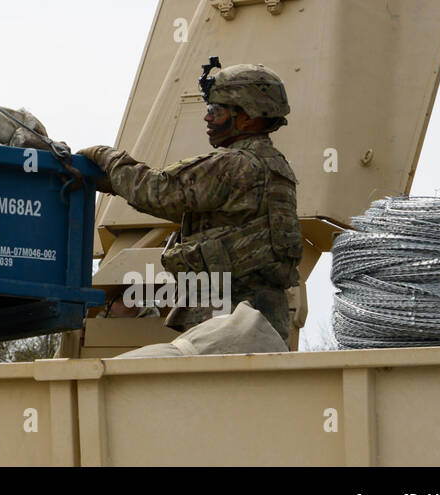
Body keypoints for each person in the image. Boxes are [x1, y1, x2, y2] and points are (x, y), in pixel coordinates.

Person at [80, 62, 302, 340]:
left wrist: (105, 157)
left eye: (215, 110)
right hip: (263, 315)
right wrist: (114, 183)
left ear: (248, 118)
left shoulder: (232, 165)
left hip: (225, 317)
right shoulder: (277, 167)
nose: (208, 118)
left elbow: (158, 192)